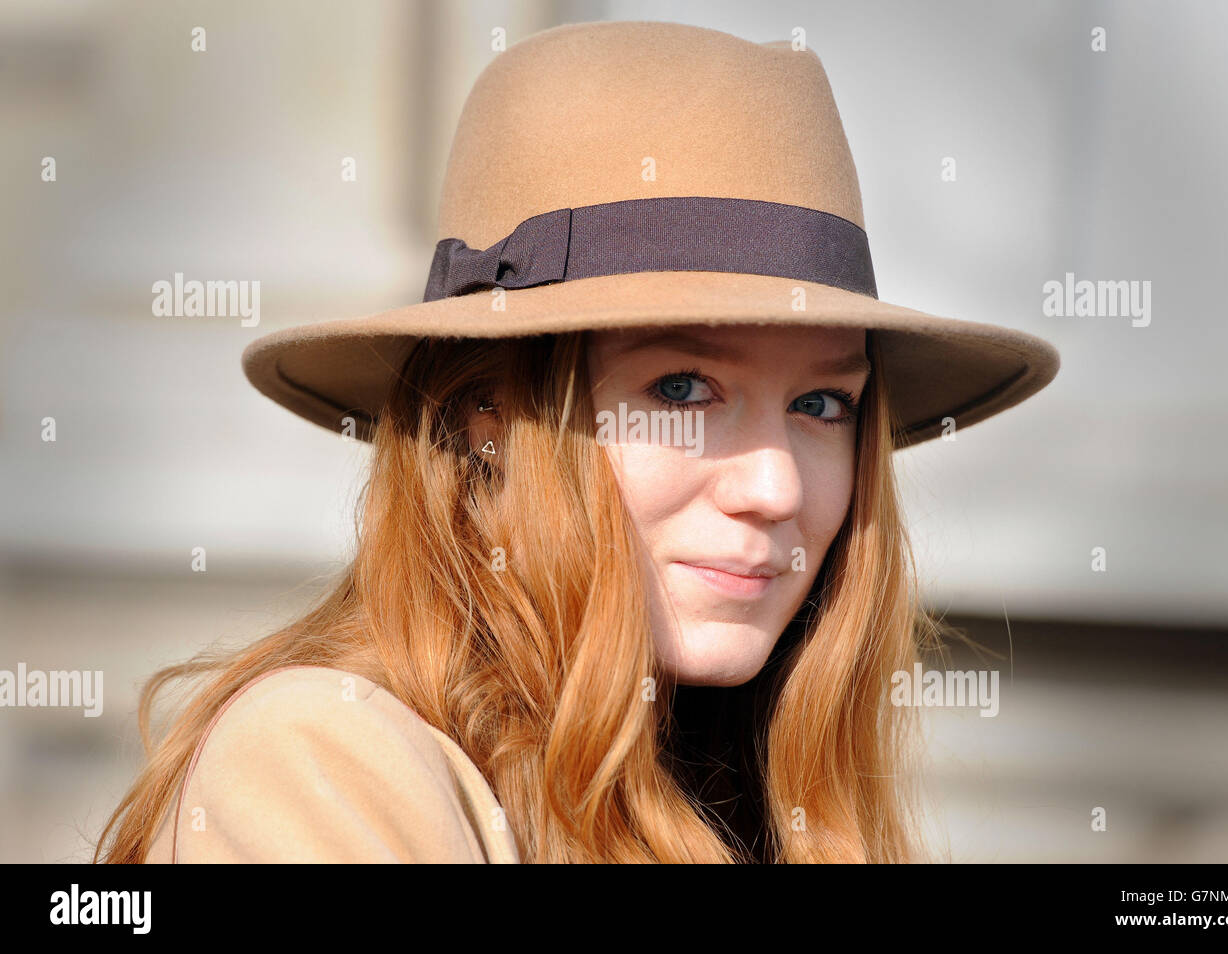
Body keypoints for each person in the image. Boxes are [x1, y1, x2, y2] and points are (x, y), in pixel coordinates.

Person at [95, 20, 1058, 864]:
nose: (772, 487)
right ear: (486, 422)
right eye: (682, 389)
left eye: (822, 406)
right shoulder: (321, 756)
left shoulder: (760, 794)